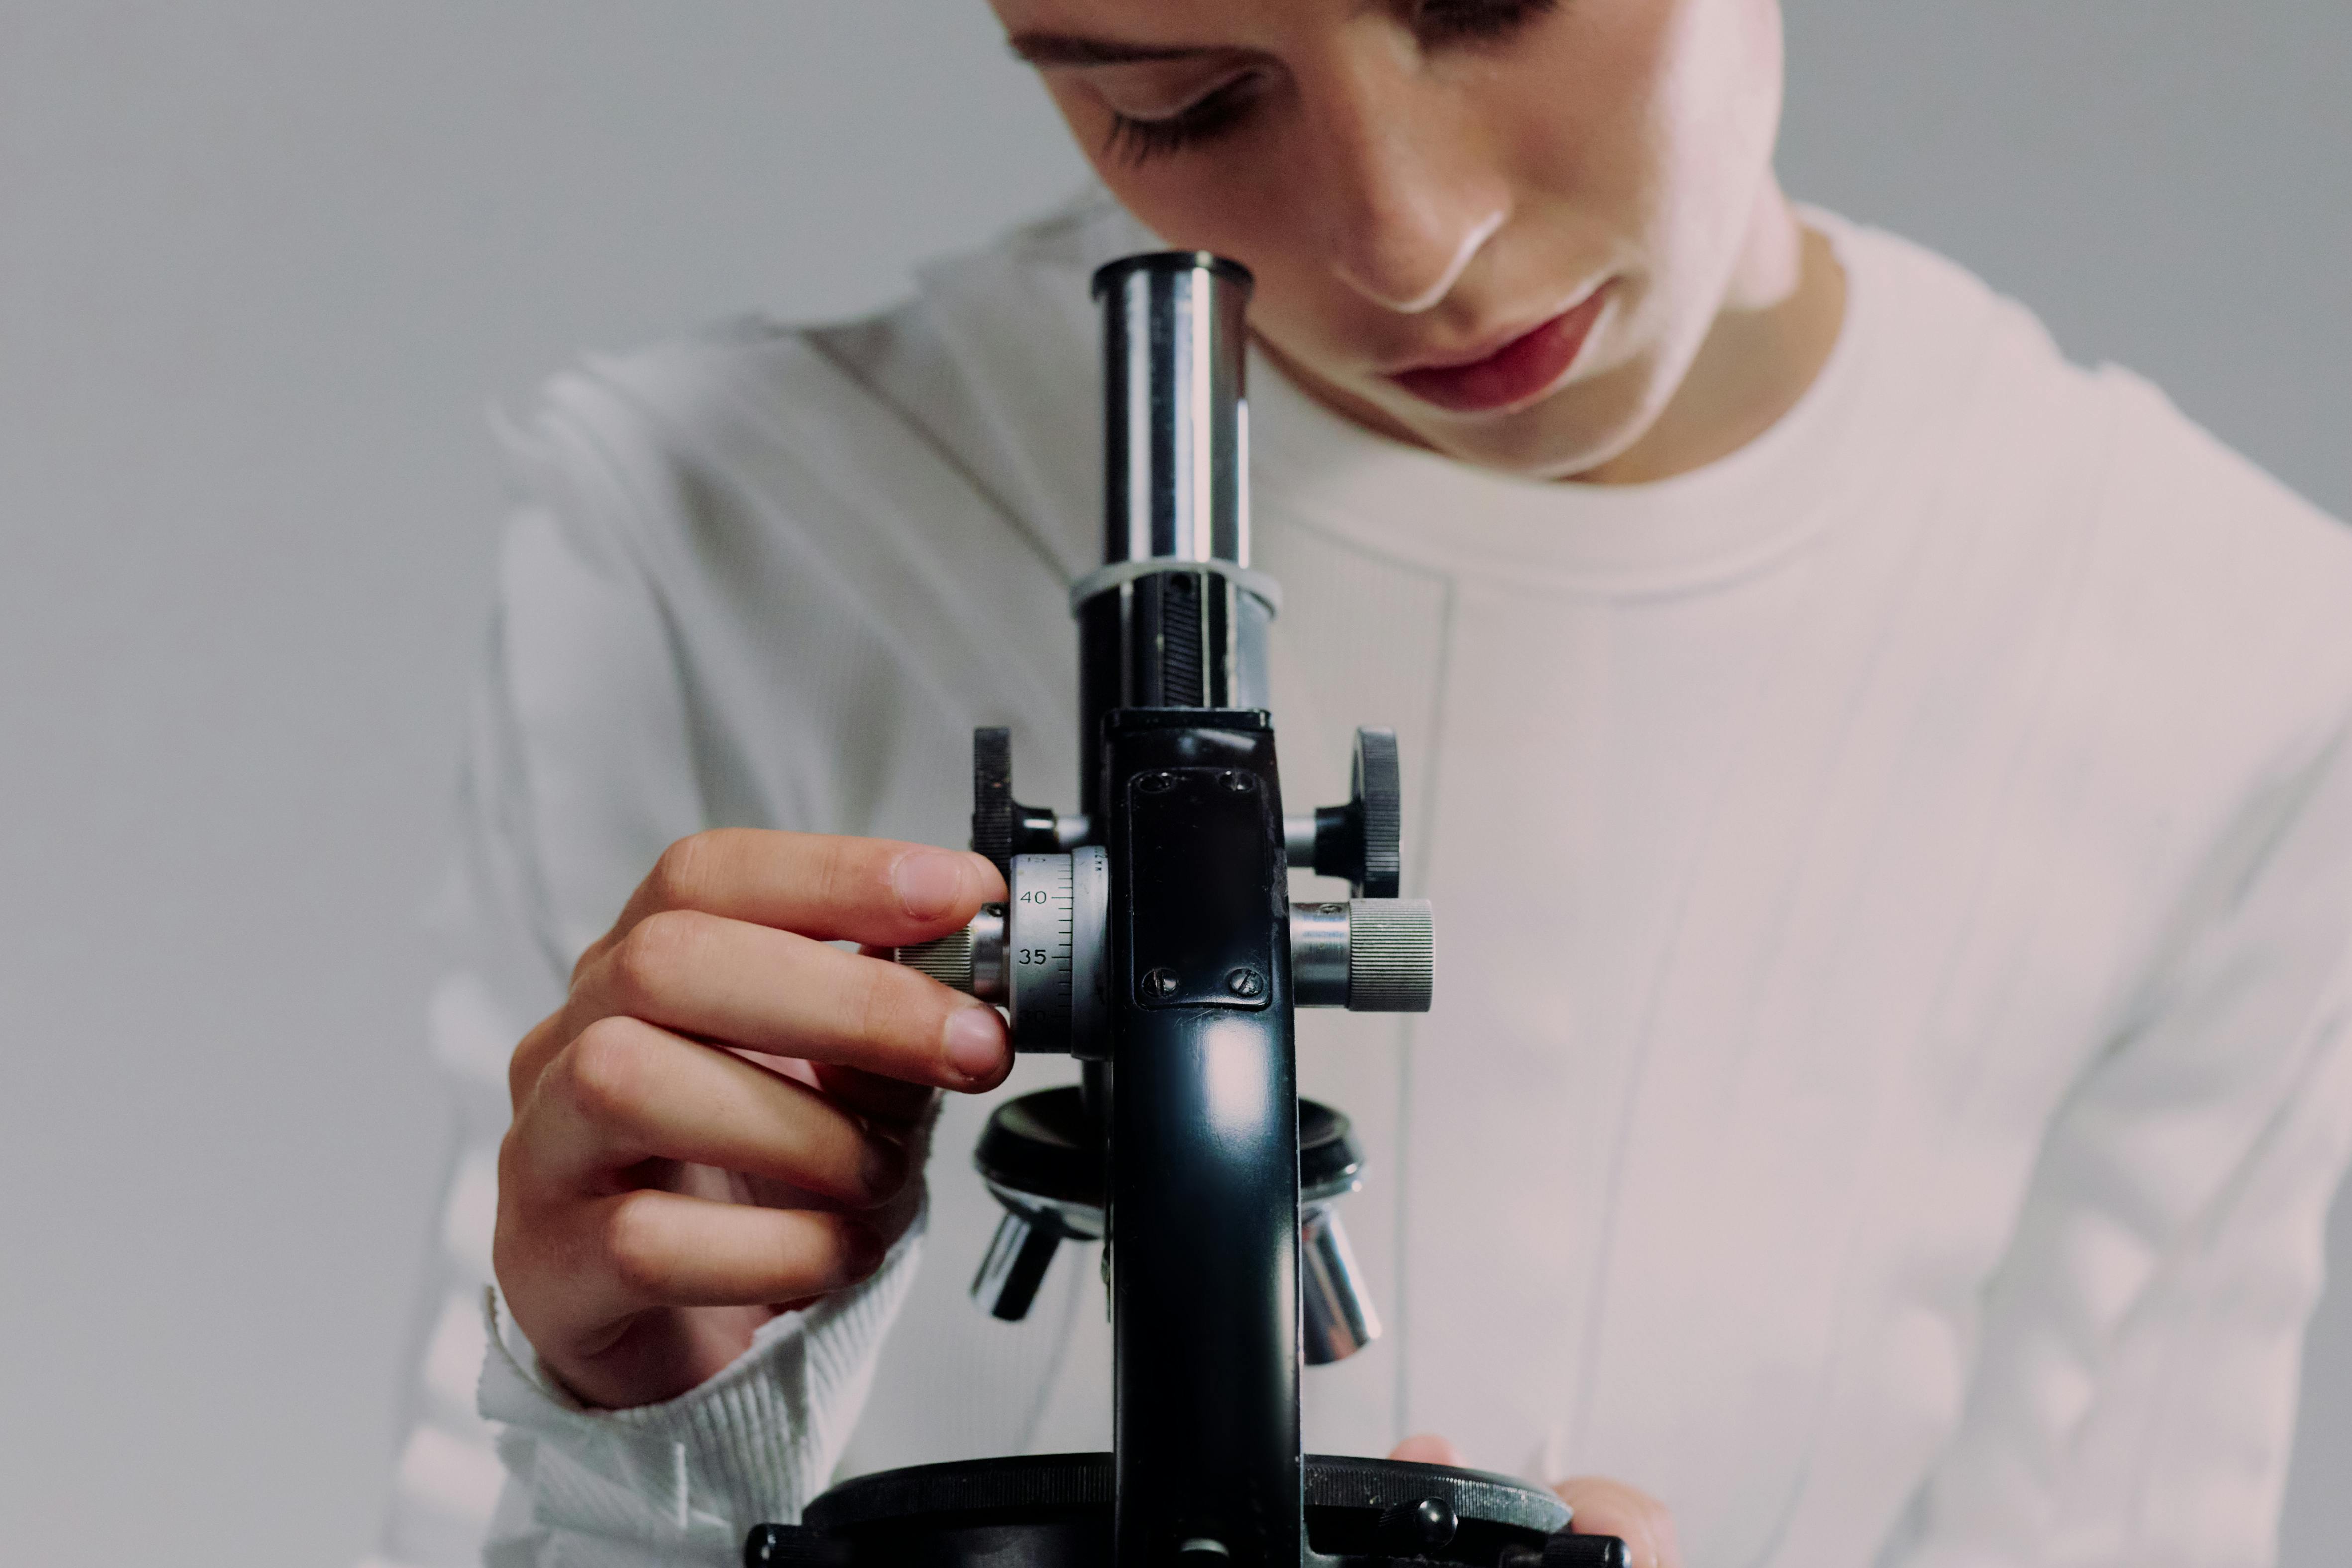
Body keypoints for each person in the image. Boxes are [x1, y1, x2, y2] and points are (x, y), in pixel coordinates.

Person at [371, 3, 2352, 1566]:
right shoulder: (705, 535)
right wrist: (644, 1456)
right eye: (1178, 103)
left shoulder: (2240, 670)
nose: (1412, 241)